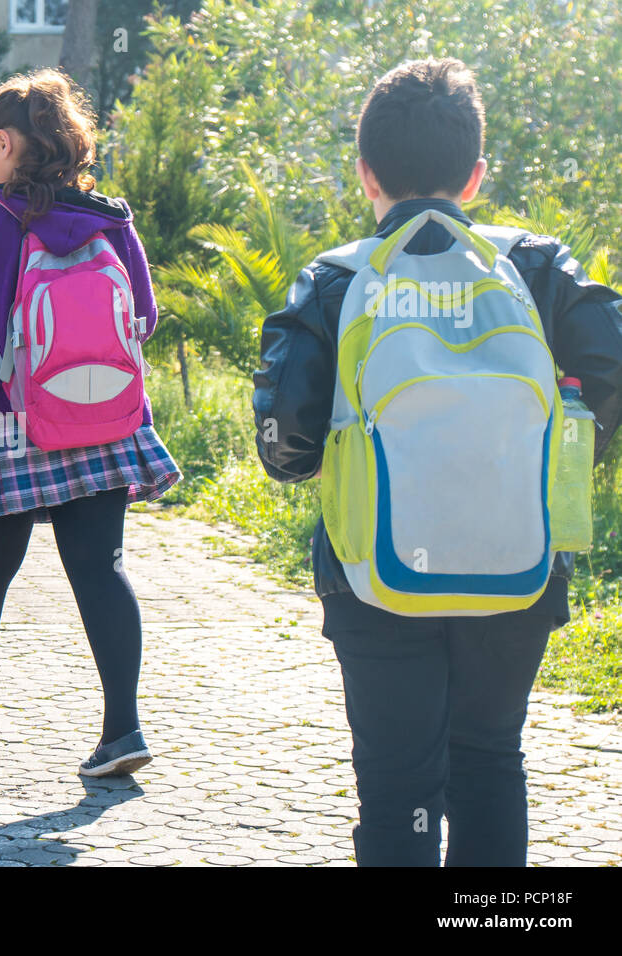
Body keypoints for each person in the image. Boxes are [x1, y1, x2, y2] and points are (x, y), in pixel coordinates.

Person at [253, 58, 622, 866]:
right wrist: (550, 460)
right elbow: (611, 370)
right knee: (489, 760)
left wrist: (315, 461)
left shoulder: (338, 278)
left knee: (399, 788)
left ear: (365, 174)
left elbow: (284, 435)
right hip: (519, 561)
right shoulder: (535, 266)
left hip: (372, 570)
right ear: (476, 175)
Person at [0, 69, 181, 777]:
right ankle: (124, 729)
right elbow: (142, 319)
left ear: (4, 142)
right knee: (102, 570)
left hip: (2, 424)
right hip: (103, 422)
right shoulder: (111, 218)